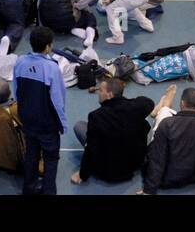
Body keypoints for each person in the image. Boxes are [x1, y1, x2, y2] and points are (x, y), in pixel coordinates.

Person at [72, 75, 156, 186]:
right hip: (133, 164)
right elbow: (149, 102)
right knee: (144, 123)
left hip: (109, 171)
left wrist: (83, 174)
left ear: (109, 95)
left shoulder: (96, 116)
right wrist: (126, 102)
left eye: (101, 91)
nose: (98, 93)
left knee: (79, 126)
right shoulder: (135, 107)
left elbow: (91, 149)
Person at [13, 26, 68, 195]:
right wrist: (62, 124)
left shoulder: (20, 62)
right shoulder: (51, 68)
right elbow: (58, 100)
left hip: (28, 120)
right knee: (51, 158)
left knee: (32, 154)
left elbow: (16, 91)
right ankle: (49, 191)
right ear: (48, 46)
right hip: (47, 124)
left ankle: (28, 189)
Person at [142, 87, 195, 196]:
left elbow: (158, 159)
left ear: (182, 103)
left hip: (167, 178)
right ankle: (165, 104)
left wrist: (149, 190)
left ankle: (164, 104)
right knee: (164, 114)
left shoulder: (167, 124)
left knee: (163, 114)